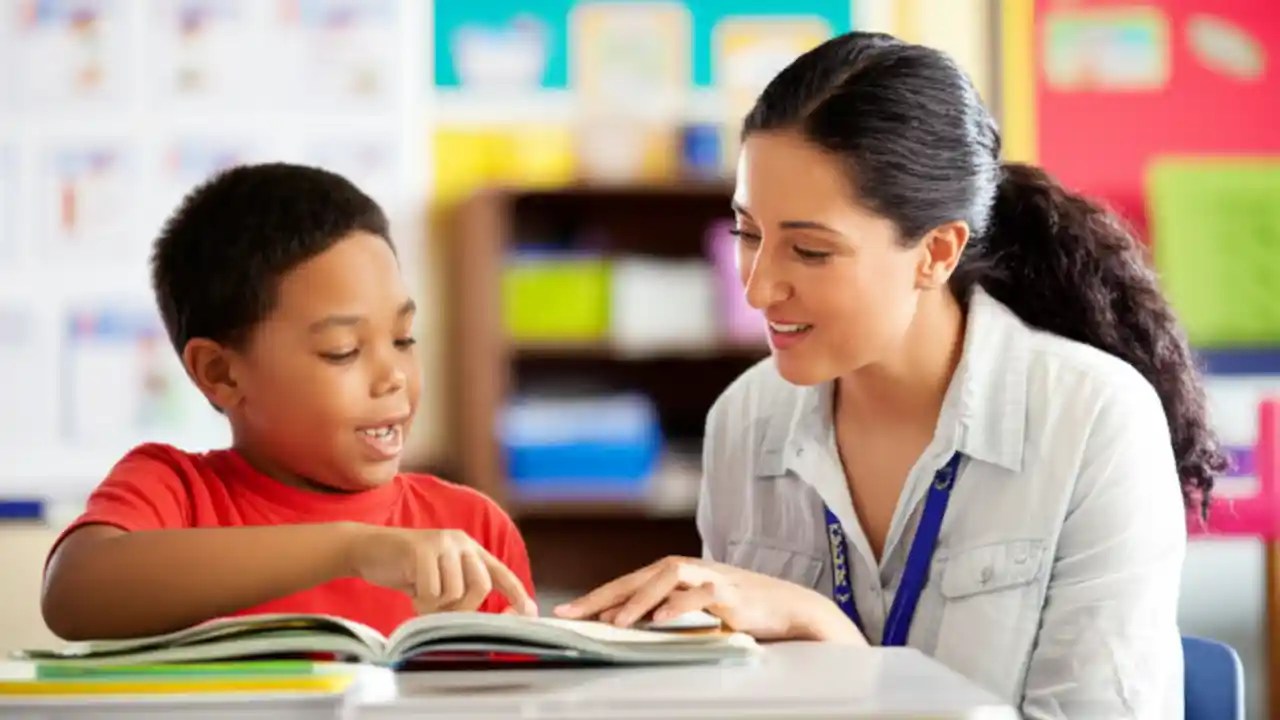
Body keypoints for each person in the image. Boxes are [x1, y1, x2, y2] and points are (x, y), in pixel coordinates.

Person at [555, 32, 1225, 717]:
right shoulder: (743, 422)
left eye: (810, 251)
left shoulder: (1094, 421)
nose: (757, 291)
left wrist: (832, 640)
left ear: (935, 252)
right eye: (748, 235)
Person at [42, 163, 537, 641]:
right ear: (221, 373)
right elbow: (72, 593)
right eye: (342, 351)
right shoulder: (176, 492)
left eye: (404, 339)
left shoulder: (470, 527)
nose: (393, 377)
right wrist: (352, 547)